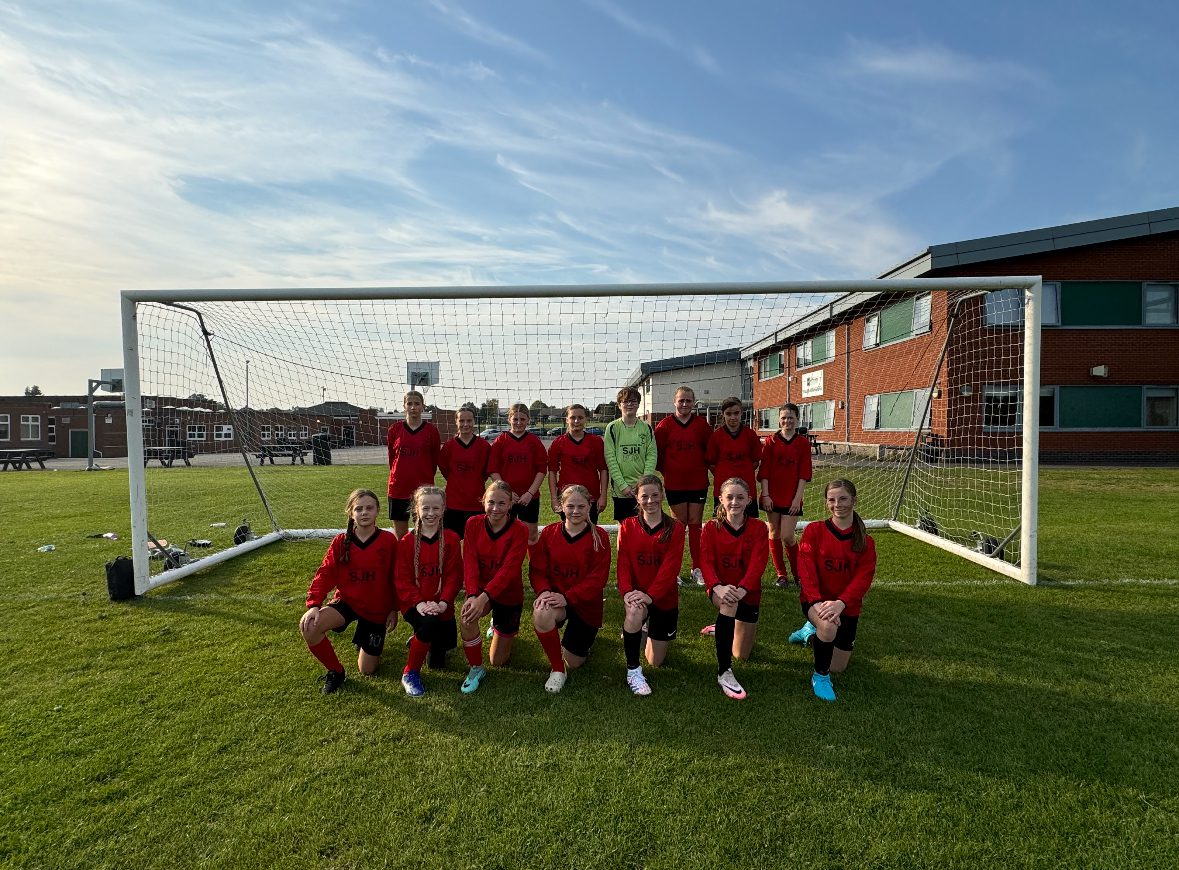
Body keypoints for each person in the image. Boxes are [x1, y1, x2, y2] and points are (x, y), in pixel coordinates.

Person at [299, 489, 399, 694]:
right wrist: (314, 605)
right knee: (310, 627)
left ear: (377, 511)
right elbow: (325, 573)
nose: (364, 513)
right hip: (347, 603)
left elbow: (395, 579)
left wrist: (394, 609)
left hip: (375, 610)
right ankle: (336, 671)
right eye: (358, 508)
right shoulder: (340, 542)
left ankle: (365, 639)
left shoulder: (388, 541)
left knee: (367, 670)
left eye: (369, 508)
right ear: (351, 513)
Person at [797, 478, 876, 702]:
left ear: (854, 500)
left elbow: (863, 579)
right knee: (828, 625)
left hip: (847, 608)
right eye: (832, 500)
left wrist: (841, 603)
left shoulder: (865, 542)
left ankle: (810, 634)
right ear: (826, 503)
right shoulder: (814, 531)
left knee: (839, 667)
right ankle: (820, 676)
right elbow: (805, 570)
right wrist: (818, 603)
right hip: (816, 603)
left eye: (843, 498)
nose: (837, 504)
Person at [528, 485, 611, 693]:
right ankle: (557, 670)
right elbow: (537, 570)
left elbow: (597, 580)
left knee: (574, 661)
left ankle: (583, 642)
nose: (575, 511)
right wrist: (544, 591)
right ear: (561, 507)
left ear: (589, 506)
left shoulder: (599, 536)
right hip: (557, 600)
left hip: (584, 605)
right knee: (541, 611)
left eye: (581, 506)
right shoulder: (549, 533)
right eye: (570, 506)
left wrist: (568, 596)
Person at [615, 474, 685, 695]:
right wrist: (627, 592)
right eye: (645, 496)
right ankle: (633, 671)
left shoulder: (675, 527)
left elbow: (670, 568)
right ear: (637, 497)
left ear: (662, 495)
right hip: (637, 594)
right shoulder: (627, 526)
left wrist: (651, 595)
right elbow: (623, 564)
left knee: (655, 661)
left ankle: (638, 630)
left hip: (663, 597)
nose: (650, 500)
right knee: (635, 612)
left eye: (655, 495)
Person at [458, 480, 529, 693]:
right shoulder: (473, 523)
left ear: (510, 505)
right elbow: (469, 561)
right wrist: (472, 595)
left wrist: (484, 597)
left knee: (498, 660)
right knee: (467, 615)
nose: (495, 509)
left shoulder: (520, 530)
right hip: (480, 590)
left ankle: (497, 625)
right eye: (491, 502)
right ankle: (476, 668)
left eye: (501, 503)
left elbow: (509, 570)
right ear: (483, 502)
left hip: (508, 594)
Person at [701, 477, 768, 700]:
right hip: (721, 591)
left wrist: (743, 588)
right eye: (729, 497)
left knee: (742, 654)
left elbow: (758, 563)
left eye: (740, 497)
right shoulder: (711, 528)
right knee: (729, 606)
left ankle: (722, 627)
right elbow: (706, 562)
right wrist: (717, 586)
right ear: (720, 499)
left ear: (749, 500)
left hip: (747, 592)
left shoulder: (758, 528)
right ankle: (724, 672)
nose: (734, 502)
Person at [395, 486, 463, 697]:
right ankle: (410, 672)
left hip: (441, 604)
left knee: (438, 662)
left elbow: (454, 576)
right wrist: (419, 603)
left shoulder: (451, 539)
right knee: (428, 624)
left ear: (444, 509)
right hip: (415, 604)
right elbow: (402, 580)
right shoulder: (407, 542)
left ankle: (420, 640)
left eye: (436, 508)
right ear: (417, 509)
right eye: (425, 507)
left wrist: (443, 602)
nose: (431, 513)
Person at [654, 386, 713, 587]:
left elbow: (709, 453)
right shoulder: (664, 426)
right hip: (675, 484)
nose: (685, 404)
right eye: (681, 401)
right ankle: (674, 570)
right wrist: (670, 472)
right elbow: (657, 456)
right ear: (675, 402)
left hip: (698, 483)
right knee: (678, 526)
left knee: (695, 524)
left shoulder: (702, 426)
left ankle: (697, 569)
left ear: (693, 402)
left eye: (688, 401)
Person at [758, 403, 812, 587]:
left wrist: (798, 499)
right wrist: (765, 495)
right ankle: (781, 575)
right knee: (774, 533)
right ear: (779, 419)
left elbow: (804, 473)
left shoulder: (803, 443)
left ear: (797, 419)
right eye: (783, 417)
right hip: (772, 495)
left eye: (791, 417)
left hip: (791, 497)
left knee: (788, 536)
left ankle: (798, 575)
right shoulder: (771, 441)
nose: (787, 421)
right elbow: (764, 471)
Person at [488, 403, 548, 545]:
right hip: (506, 497)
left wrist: (530, 493)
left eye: (522, 419)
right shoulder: (501, 440)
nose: (519, 423)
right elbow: (493, 470)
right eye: (515, 419)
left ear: (528, 420)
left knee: (531, 535)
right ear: (509, 419)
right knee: (504, 534)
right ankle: (506, 566)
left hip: (529, 496)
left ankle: (534, 567)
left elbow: (541, 470)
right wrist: (506, 493)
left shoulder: (534, 441)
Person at [386, 390, 441, 538]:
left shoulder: (431, 431)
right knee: (401, 537)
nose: (413, 407)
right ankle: (403, 561)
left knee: (424, 534)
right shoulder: (394, 430)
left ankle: (421, 561)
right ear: (404, 406)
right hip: (398, 488)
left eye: (417, 403)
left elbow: (434, 460)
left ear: (423, 406)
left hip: (423, 490)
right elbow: (392, 459)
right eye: (409, 403)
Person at [547, 403, 608, 524]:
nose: (576, 421)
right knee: (570, 532)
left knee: (590, 532)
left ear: (586, 419)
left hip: (591, 497)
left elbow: (603, 470)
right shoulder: (558, 443)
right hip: (567, 498)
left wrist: (603, 495)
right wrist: (554, 499)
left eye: (580, 417)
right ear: (567, 420)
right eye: (572, 417)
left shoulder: (596, 442)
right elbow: (552, 472)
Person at [603, 387, 657, 522]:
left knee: (646, 525)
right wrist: (623, 485)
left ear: (638, 404)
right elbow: (610, 458)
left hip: (643, 489)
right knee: (625, 528)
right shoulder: (612, 428)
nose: (630, 404)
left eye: (633, 401)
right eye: (625, 401)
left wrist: (643, 483)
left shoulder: (646, 428)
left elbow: (651, 455)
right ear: (619, 405)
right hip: (622, 491)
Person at [705, 396, 761, 520]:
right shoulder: (716, 436)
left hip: (747, 488)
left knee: (749, 526)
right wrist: (725, 474)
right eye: (728, 414)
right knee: (722, 525)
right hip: (723, 488)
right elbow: (711, 463)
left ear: (741, 413)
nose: (733, 417)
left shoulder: (750, 435)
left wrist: (742, 472)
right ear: (723, 414)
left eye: (736, 413)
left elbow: (756, 461)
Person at [438, 405, 490, 540]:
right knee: (453, 541)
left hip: (476, 502)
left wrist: (474, 480)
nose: (465, 424)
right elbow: (444, 469)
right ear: (456, 421)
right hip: (453, 503)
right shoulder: (449, 446)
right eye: (461, 421)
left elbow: (486, 472)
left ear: (474, 421)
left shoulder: (483, 446)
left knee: (475, 541)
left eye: (469, 420)